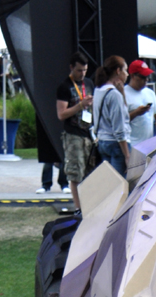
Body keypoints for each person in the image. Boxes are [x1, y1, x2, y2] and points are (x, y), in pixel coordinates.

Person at [56, 50, 94, 215]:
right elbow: (61, 114)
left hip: (89, 133)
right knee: (75, 173)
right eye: (79, 70)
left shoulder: (89, 83)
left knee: (90, 172)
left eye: (85, 70)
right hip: (73, 134)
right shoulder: (65, 87)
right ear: (71, 68)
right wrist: (80, 105)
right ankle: (79, 208)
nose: (82, 74)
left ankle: (89, 204)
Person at [93, 56, 131, 177]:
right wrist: (127, 155)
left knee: (109, 183)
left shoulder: (98, 90)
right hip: (116, 144)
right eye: (125, 70)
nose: (127, 74)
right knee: (120, 185)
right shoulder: (114, 94)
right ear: (118, 71)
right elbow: (119, 128)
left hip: (103, 140)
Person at [127, 59, 156, 146]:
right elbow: (119, 121)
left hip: (148, 144)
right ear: (133, 76)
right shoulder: (123, 93)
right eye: (143, 77)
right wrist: (136, 113)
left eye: (148, 76)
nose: (146, 80)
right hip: (131, 144)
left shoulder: (150, 93)